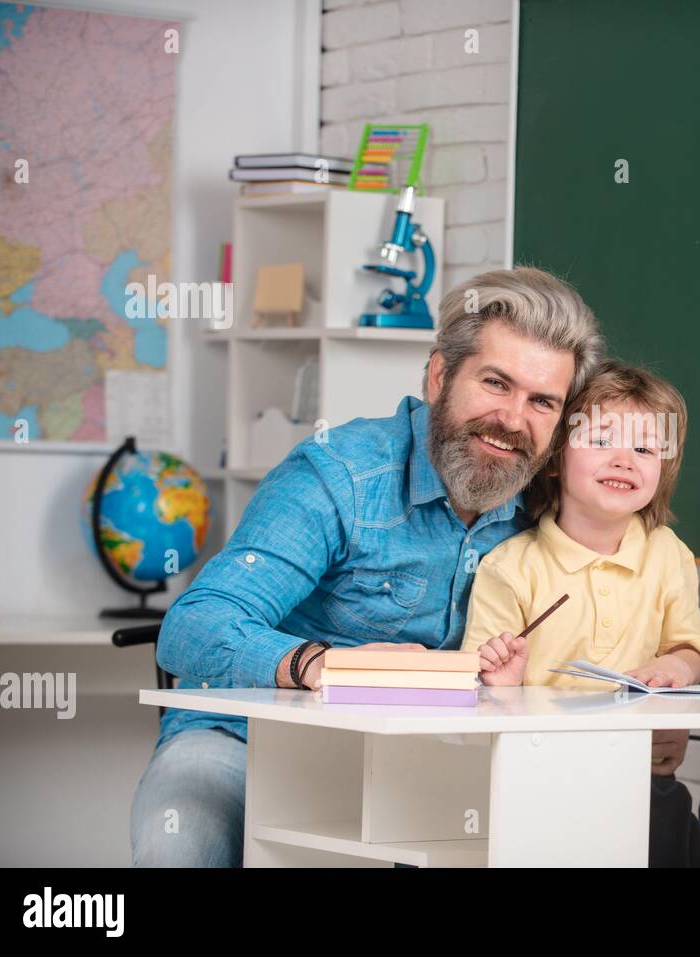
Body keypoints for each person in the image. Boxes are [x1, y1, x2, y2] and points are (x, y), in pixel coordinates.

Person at [130, 267, 607, 866]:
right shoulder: (340, 477)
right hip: (248, 742)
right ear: (439, 376)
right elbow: (193, 625)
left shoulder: (548, 507)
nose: (514, 420)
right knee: (175, 843)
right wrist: (319, 665)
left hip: (420, 766)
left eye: (542, 401)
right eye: (495, 383)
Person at [463, 361, 700, 867]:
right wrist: (503, 682)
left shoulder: (668, 553)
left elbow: (687, 650)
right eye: (603, 440)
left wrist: (675, 671)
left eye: (646, 449)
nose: (625, 460)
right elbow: (478, 697)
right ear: (557, 458)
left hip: (641, 770)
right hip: (541, 777)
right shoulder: (508, 568)